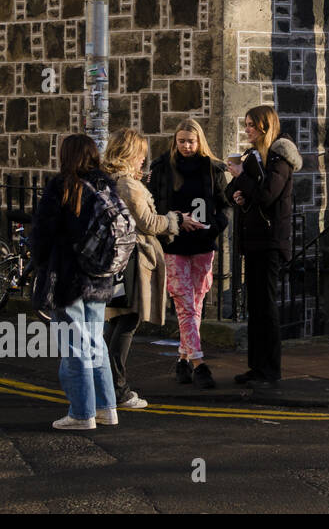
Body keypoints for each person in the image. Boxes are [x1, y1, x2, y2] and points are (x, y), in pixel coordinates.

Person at [31, 135, 125, 430]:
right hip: (99, 277)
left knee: (75, 346)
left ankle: (82, 413)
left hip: (67, 278)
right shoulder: (105, 184)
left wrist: (40, 262)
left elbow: (42, 236)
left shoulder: (63, 185)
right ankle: (107, 408)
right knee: (96, 342)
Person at [148, 117, 230, 388]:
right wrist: (173, 220)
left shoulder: (212, 169)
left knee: (195, 305)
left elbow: (223, 206)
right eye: (181, 141)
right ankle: (199, 363)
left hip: (204, 244)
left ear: (200, 141)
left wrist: (213, 227)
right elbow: (153, 206)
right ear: (175, 141)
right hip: (174, 244)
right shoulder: (162, 168)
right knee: (184, 302)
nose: (185, 146)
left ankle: (182, 360)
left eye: (190, 141)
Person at [225, 106, 300, 386]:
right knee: (255, 308)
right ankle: (256, 367)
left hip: (270, 242)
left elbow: (268, 196)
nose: (247, 130)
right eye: (246, 125)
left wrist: (242, 176)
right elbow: (231, 193)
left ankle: (271, 370)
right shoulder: (252, 157)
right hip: (253, 240)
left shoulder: (280, 157)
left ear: (265, 126)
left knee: (267, 307)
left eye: (252, 125)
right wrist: (237, 193)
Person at [103, 128, 177, 410]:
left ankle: (109, 382)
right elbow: (147, 222)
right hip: (132, 261)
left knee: (118, 320)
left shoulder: (116, 180)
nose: (143, 162)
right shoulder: (126, 184)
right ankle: (118, 388)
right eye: (140, 156)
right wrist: (172, 220)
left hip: (122, 259)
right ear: (128, 154)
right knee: (127, 321)